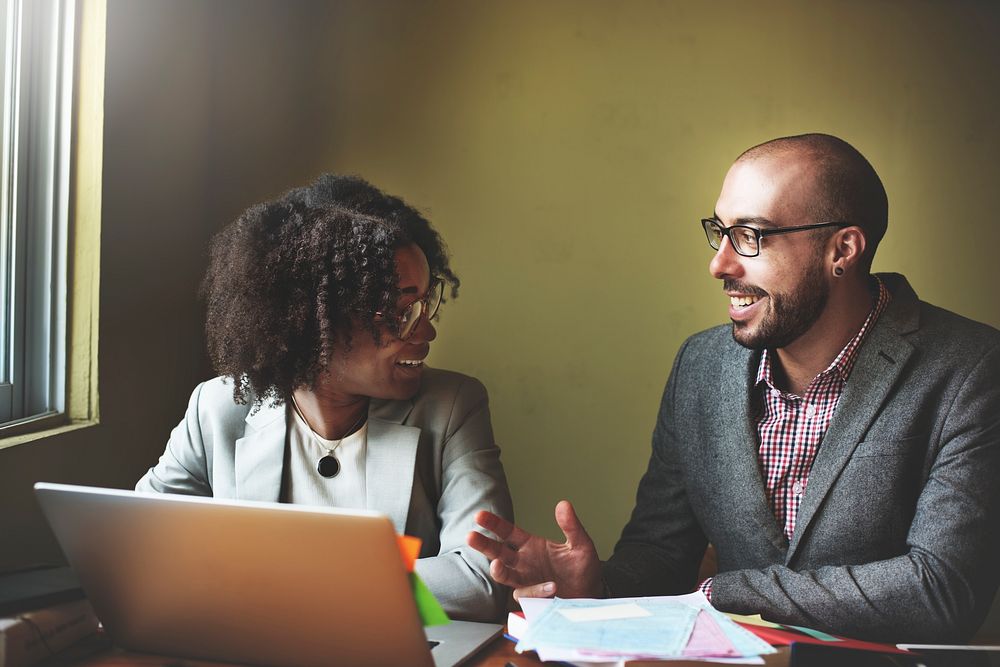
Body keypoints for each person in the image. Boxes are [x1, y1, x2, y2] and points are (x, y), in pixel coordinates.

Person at [468, 133, 1000, 642]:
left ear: (843, 250)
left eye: (750, 236)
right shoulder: (700, 366)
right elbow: (660, 553)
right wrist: (600, 585)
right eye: (719, 232)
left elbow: (942, 591)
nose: (719, 263)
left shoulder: (972, 367)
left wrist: (723, 591)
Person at [138, 174, 513, 622]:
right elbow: (141, 549)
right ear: (314, 321)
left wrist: (291, 585)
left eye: (425, 304)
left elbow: (483, 583)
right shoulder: (217, 410)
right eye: (398, 312)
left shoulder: (452, 407)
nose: (426, 330)